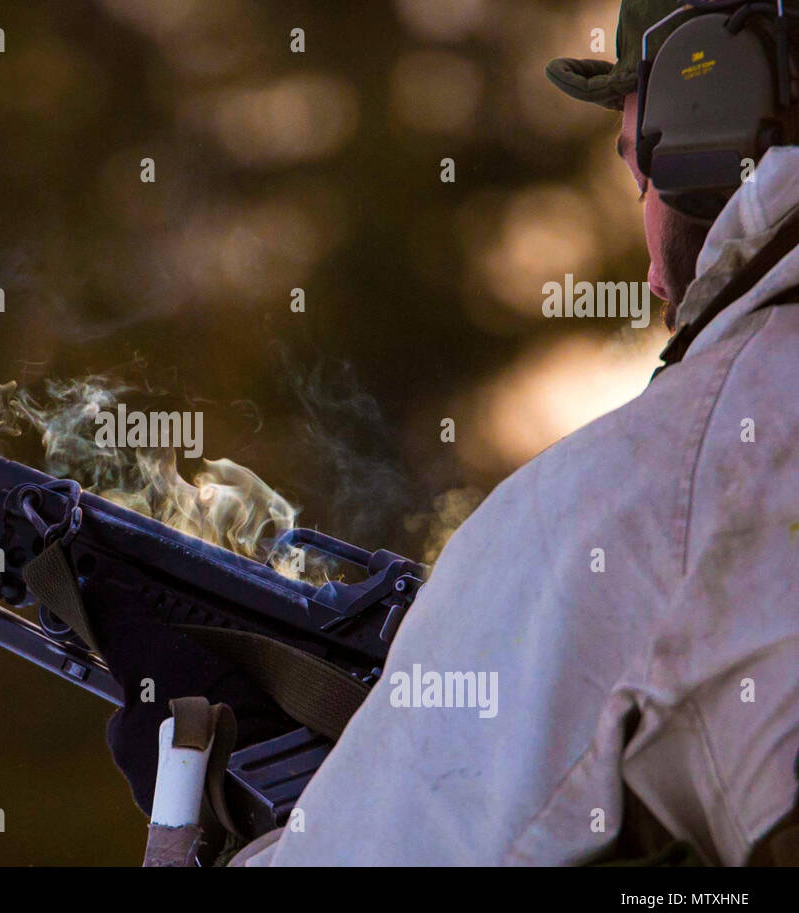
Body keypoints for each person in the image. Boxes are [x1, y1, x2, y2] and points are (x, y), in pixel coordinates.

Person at [109, 0, 799, 866]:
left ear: (716, 117)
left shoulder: (627, 497)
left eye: (645, 171)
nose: (655, 274)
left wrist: (203, 828)